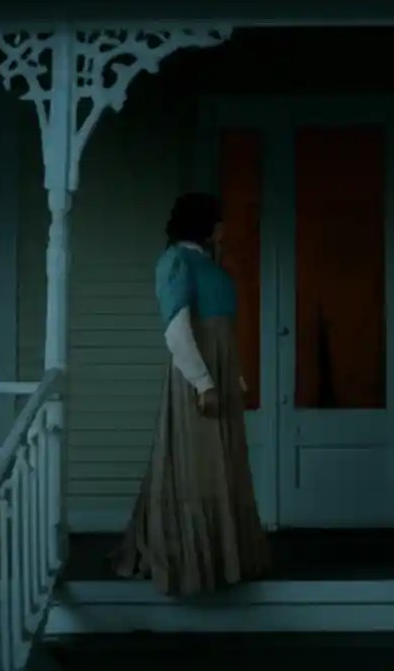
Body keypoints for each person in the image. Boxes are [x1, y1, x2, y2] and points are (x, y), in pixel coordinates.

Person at [110, 192, 269, 596]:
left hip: (219, 373)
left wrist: (233, 378)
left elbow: (221, 331)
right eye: (220, 221)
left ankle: (222, 556)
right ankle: (187, 559)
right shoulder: (177, 262)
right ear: (208, 225)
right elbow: (177, 330)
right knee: (197, 465)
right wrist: (204, 382)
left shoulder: (207, 263)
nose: (226, 229)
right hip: (198, 377)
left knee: (221, 464)